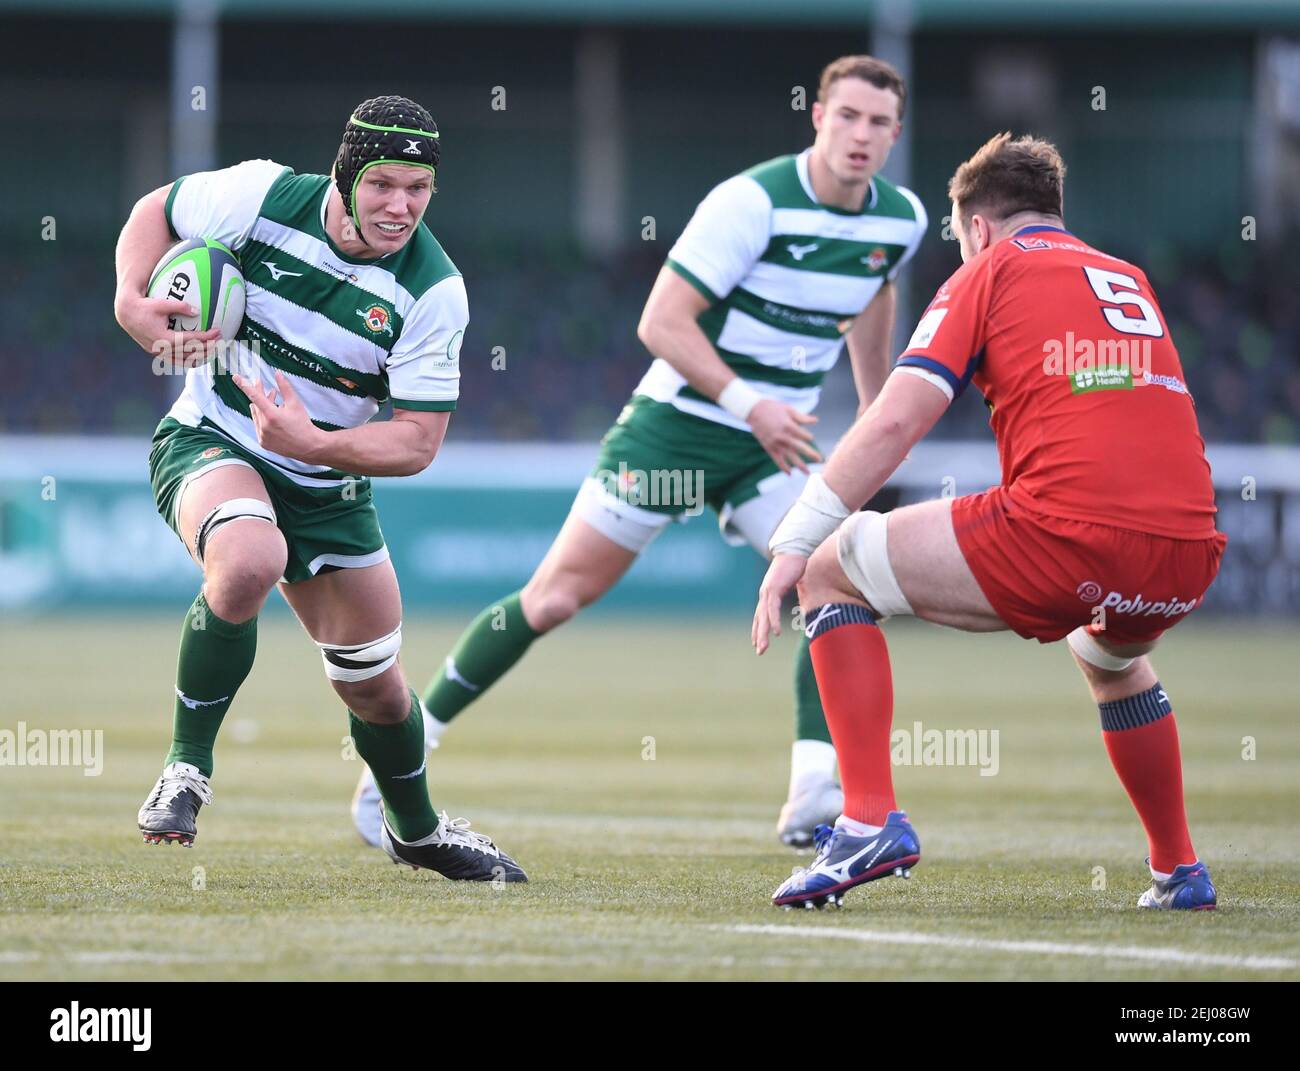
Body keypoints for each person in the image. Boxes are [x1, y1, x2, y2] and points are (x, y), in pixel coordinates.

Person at [348, 56, 928, 850]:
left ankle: (814, 794)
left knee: (838, 578)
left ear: (896, 134)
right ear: (817, 116)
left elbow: (876, 291)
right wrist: (749, 403)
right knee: (552, 599)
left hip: (775, 443)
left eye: (878, 122)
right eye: (847, 116)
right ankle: (403, 750)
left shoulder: (901, 220)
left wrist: (871, 409)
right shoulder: (752, 201)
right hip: (679, 426)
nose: (860, 134)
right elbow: (660, 323)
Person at [752, 132, 1227, 910]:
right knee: (1110, 658)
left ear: (976, 228)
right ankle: (1179, 869)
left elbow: (894, 425)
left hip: (1071, 534)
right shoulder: (1127, 276)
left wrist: (794, 539)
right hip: (1186, 552)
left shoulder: (994, 268)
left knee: (833, 565)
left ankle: (867, 817)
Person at [113, 94, 525, 882]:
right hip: (214, 436)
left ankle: (416, 830)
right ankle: (186, 768)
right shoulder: (264, 197)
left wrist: (315, 443)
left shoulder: (434, 292)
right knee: (248, 558)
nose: (401, 206)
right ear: (346, 174)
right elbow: (154, 212)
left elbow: (417, 438)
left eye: (418, 188)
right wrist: (134, 303)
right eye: (383, 184)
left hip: (327, 480)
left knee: (378, 690)